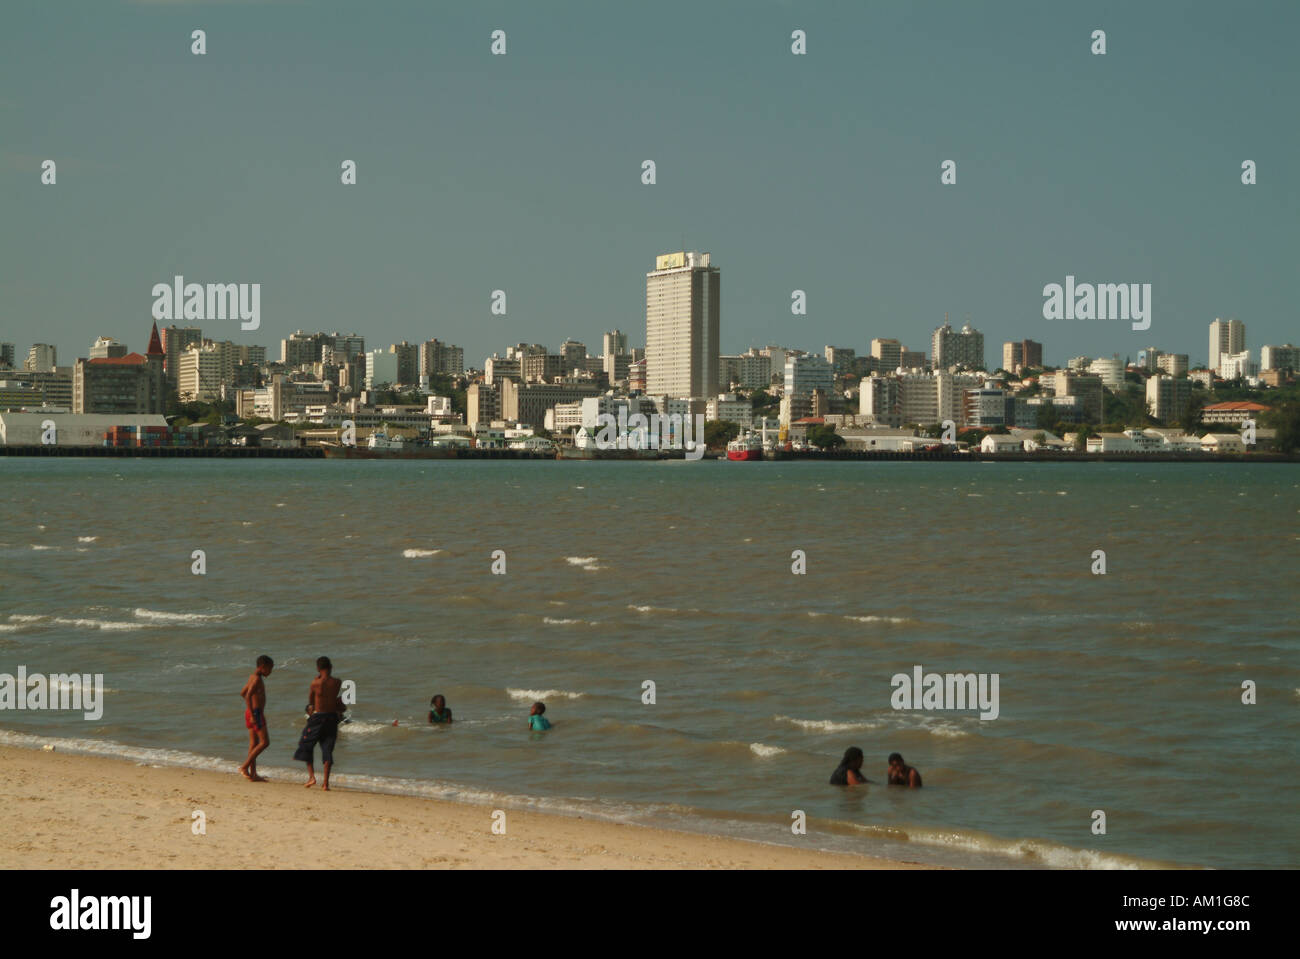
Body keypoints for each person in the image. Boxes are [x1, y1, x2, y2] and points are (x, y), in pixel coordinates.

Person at [294, 656, 344, 790]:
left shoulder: (315, 683)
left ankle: (312, 777)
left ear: (318, 668)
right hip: (332, 718)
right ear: (331, 667)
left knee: (306, 745)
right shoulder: (338, 682)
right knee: (327, 749)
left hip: (318, 718)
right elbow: (335, 699)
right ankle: (326, 784)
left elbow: (311, 702)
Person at [238, 655, 274, 782]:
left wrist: (251, 709)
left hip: (250, 712)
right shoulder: (257, 679)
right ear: (262, 667)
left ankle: (253, 774)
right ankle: (244, 767)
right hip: (256, 714)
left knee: (253, 744)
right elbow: (247, 696)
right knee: (264, 742)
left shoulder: (252, 677)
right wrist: (254, 713)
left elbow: (243, 693)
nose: (270, 672)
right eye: (270, 669)